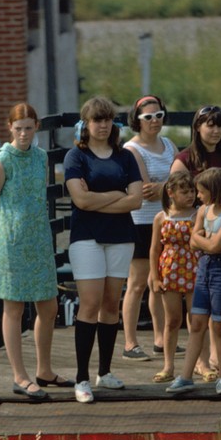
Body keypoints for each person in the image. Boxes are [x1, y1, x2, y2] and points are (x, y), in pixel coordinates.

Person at [0, 102, 70, 400]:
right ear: (10, 128)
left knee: (49, 306)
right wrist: (9, 232)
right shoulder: (1, 161)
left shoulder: (41, 157)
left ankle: (44, 370)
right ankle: (20, 376)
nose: (23, 134)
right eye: (18, 128)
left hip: (39, 241)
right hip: (11, 244)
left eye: (28, 128)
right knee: (14, 307)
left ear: (37, 128)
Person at [63, 96, 144, 403]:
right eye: (97, 120)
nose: (103, 125)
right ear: (86, 124)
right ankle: (81, 378)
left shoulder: (125, 157)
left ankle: (104, 372)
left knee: (111, 304)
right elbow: (80, 201)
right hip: (87, 237)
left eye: (108, 119)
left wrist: (99, 198)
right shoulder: (76, 157)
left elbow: (136, 200)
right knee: (90, 303)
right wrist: (116, 195)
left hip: (121, 236)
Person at [169, 105, 221, 374]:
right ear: (197, 128)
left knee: (220, 303)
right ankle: (199, 363)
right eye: (209, 125)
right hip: (195, 238)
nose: (215, 131)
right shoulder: (184, 159)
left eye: (219, 125)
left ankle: (217, 358)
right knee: (196, 306)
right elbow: (176, 199)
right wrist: (198, 229)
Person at [167, 168, 221, 395]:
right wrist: (205, 240)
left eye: (201, 191)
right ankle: (186, 376)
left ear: (214, 190)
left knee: (219, 325)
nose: (198, 196)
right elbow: (193, 243)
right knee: (197, 322)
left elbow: (214, 246)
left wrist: (203, 239)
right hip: (204, 268)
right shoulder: (202, 211)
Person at [120, 94, 181, 362]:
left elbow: (183, 181)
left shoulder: (169, 145)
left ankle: (160, 339)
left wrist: (165, 187)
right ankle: (130, 342)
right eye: (148, 117)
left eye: (159, 116)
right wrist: (171, 186)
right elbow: (147, 192)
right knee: (137, 283)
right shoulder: (132, 149)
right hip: (141, 222)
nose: (155, 121)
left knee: (160, 282)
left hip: (168, 221)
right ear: (137, 120)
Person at [147, 170, 203, 383]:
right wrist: (154, 276)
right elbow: (154, 249)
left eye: (192, 192)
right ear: (170, 192)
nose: (190, 196)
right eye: (184, 192)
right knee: (172, 320)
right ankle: (168, 365)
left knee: (196, 320)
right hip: (169, 272)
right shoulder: (161, 217)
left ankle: (202, 363)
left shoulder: (198, 214)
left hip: (194, 270)